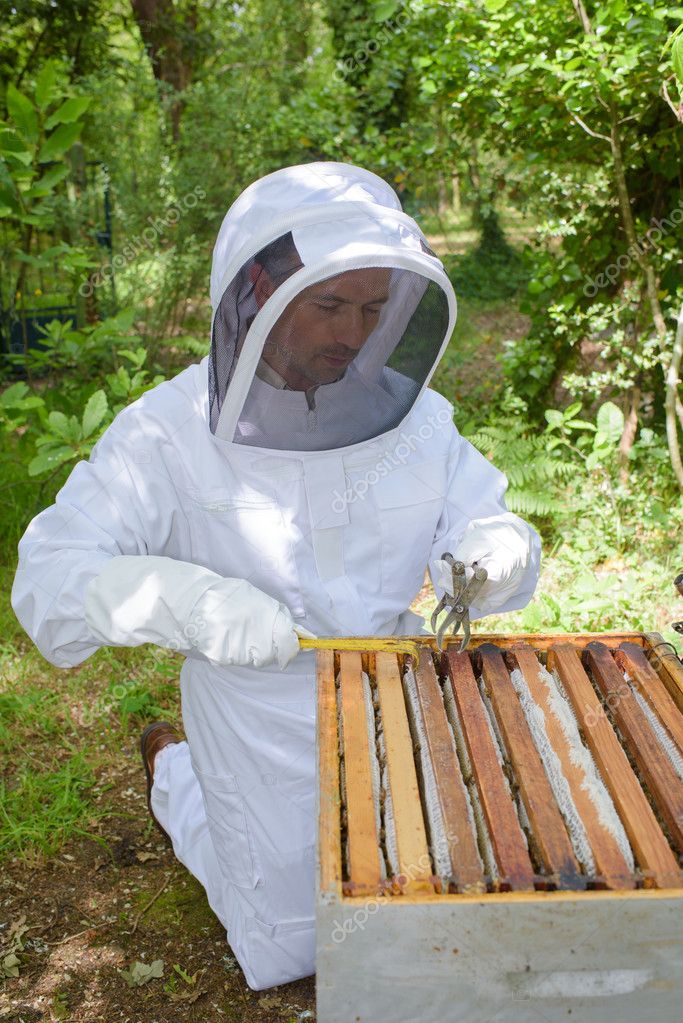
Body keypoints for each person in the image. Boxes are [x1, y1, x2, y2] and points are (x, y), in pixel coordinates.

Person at [11, 161, 541, 991]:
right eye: (329, 305)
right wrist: (188, 602)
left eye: (373, 309)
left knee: (438, 904)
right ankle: (173, 772)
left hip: (396, 697)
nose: (353, 333)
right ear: (256, 288)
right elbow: (49, 578)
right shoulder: (164, 432)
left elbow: (482, 514)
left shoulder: (415, 419)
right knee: (302, 944)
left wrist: (491, 549)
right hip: (255, 718)